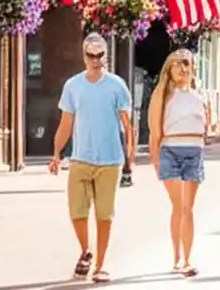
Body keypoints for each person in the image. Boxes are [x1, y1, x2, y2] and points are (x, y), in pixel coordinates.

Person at [48, 33, 133, 284]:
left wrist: (130, 156)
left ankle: (100, 266)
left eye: (100, 55)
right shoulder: (73, 86)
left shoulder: (117, 85)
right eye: (91, 55)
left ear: (105, 55)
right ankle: (86, 250)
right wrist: (56, 154)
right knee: (77, 211)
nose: (96, 60)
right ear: (84, 56)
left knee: (104, 215)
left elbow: (128, 124)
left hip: (109, 160)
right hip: (80, 158)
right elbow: (65, 123)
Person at [148, 49, 209, 277]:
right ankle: (176, 258)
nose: (183, 69)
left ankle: (187, 257)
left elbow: (205, 128)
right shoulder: (162, 96)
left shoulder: (199, 97)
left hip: (194, 150)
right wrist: (156, 162)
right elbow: (155, 132)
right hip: (170, 150)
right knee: (179, 206)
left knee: (188, 208)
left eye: (187, 64)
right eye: (178, 64)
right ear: (169, 68)